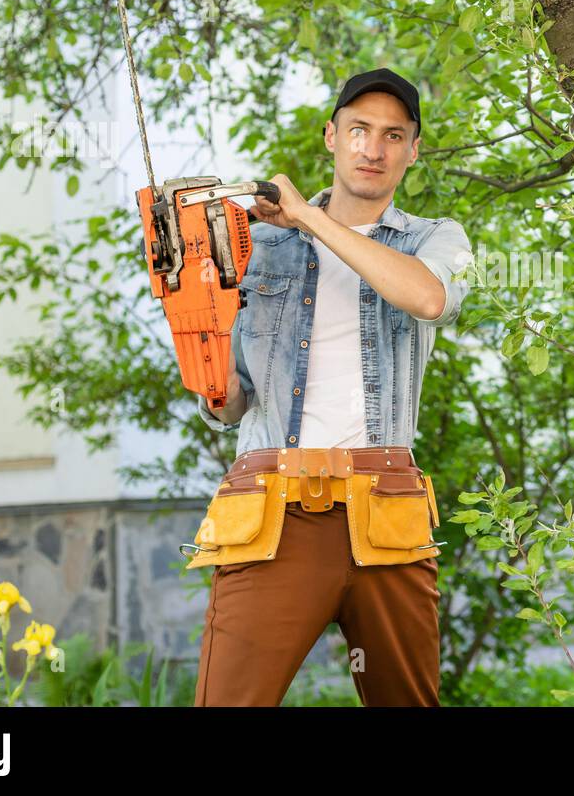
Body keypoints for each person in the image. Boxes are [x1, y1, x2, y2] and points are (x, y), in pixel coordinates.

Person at [191, 67, 473, 706]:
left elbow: (429, 298)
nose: (373, 149)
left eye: (393, 135)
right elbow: (231, 403)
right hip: (273, 507)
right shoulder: (257, 245)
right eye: (358, 130)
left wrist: (310, 220)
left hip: (386, 509)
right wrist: (205, 364)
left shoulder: (434, 238)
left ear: (413, 150)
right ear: (331, 137)